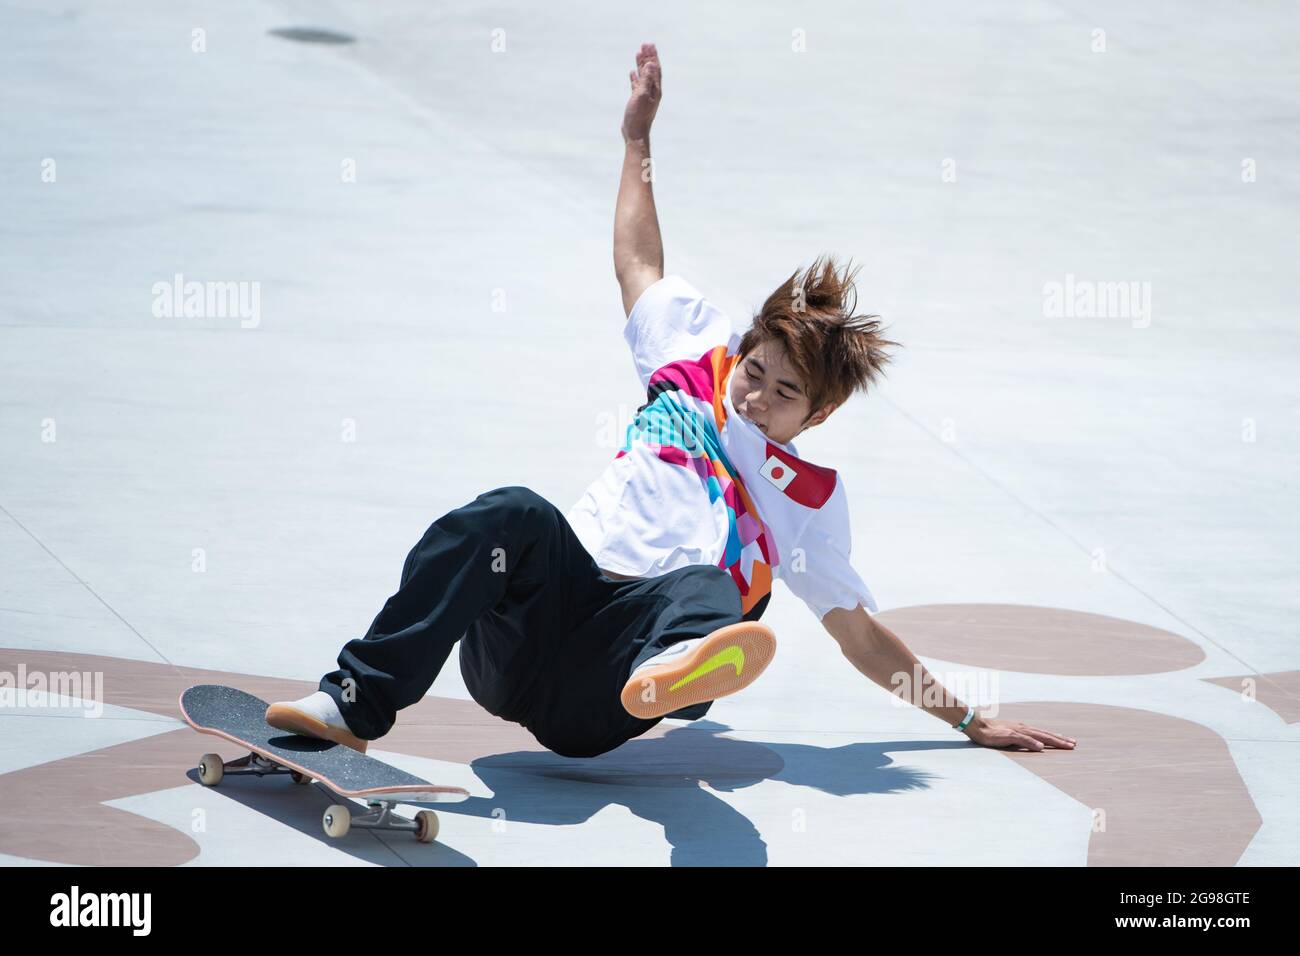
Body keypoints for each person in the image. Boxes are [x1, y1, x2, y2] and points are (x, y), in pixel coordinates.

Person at [266, 43, 1077, 760]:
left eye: (785, 393)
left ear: (818, 415)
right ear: (743, 350)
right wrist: (636, 140)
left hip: (605, 686)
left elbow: (859, 633)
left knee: (713, 591)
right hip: (532, 628)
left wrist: (967, 719)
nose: (756, 397)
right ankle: (353, 702)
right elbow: (637, 262)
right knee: (507, 514)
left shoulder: (805, 502)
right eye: (755, 371)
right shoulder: (693, 360)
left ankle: (674, 671)